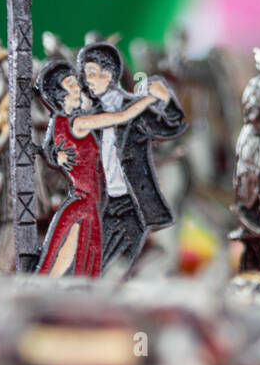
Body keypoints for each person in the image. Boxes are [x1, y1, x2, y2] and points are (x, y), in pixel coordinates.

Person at [34, 61, 161, 278]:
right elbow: (120, 116)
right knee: (67, 261)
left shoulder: (59, 123)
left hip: (86, 201)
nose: (78, 88)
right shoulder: (77, 123)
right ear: (60, 93)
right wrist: (150, 98)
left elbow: (47, 149)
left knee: (63, 258)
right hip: (84, 202)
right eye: (72, 85)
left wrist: (55, 156)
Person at [75, 42, 187, 273]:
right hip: (106, 203)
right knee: (98, 264)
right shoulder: (92, 115)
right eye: (85, 76)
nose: (87, 82)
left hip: (133, 203)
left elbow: (172, 126)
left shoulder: (135, 111)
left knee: (118, 266)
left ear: (108, 75)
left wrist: (166, 100)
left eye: (91, 75)